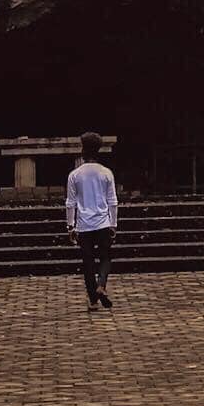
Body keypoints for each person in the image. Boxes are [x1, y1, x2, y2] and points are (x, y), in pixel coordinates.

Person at [66, 131, 117, 312]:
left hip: (84, 224)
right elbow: (113, 201)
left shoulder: (75, 175)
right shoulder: (106, 173)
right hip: (103, 222)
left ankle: (93, 299)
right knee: (105, 257)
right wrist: (113, 224)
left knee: (87, 261)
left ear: (83, 150)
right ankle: (101, 284)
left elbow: (70, 203)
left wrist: (70, 225)